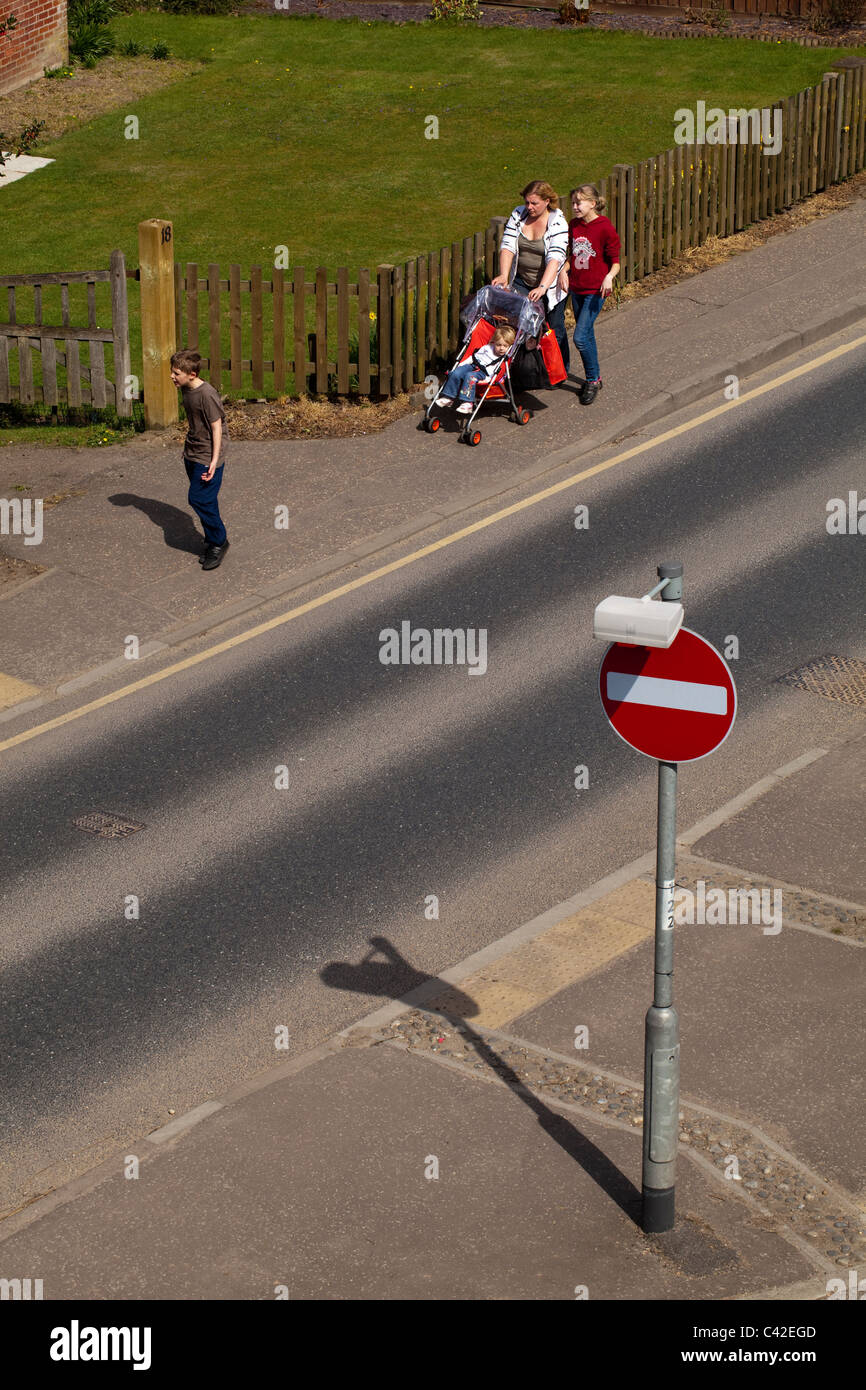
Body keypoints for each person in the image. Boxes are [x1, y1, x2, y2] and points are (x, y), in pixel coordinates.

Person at [491, 180, 570, 375]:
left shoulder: (557, 222)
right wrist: (503, 275)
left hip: (550, 286)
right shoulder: (518, 215)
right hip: (522, 281)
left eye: (534, 203)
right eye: (527, 202)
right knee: (521, 326)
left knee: (554, 328)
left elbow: (556, 257)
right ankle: (526, 372)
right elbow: (508, 245)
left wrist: (543, 287)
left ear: (548, 201)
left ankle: (559, 371)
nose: (529, 207)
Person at [560, 183, 621, 405]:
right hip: (577, 289)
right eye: (573, 203)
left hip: (596, 291)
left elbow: (615, 262)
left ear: (592, 204)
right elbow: (572, 256)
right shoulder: (573, 225)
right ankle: (595, 376)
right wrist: (563, 272)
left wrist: (609, 277)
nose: (575, 207)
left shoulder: (605, 227)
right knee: (587, 335)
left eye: (579, 203)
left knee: (579, 337)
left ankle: (592, 380)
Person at [169, 349, 230, 569]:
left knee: (199, 499)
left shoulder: (207, 394)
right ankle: (213, 538)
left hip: (208, 454)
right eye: (172, 372)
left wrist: (214, 461)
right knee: (206, 500)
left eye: (176, 373)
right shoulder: (186, 388)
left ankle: (218, 541)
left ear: (192, 374)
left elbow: (217, 428)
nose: (172, 377)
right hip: (192, 451)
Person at [436, 325, 516, 414]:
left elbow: (494, 373)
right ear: (494, 342)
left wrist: (487, 379)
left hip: (483, 374)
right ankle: (448, 397)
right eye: (499, 345)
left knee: (470, 376)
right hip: (473, 365)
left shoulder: (503, 358)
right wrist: (462, 364)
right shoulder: (487, 348)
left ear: (510, 346)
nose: (501, 348)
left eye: (505, 346)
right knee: (456, 372)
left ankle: (467, 403)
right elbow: (473, 357)